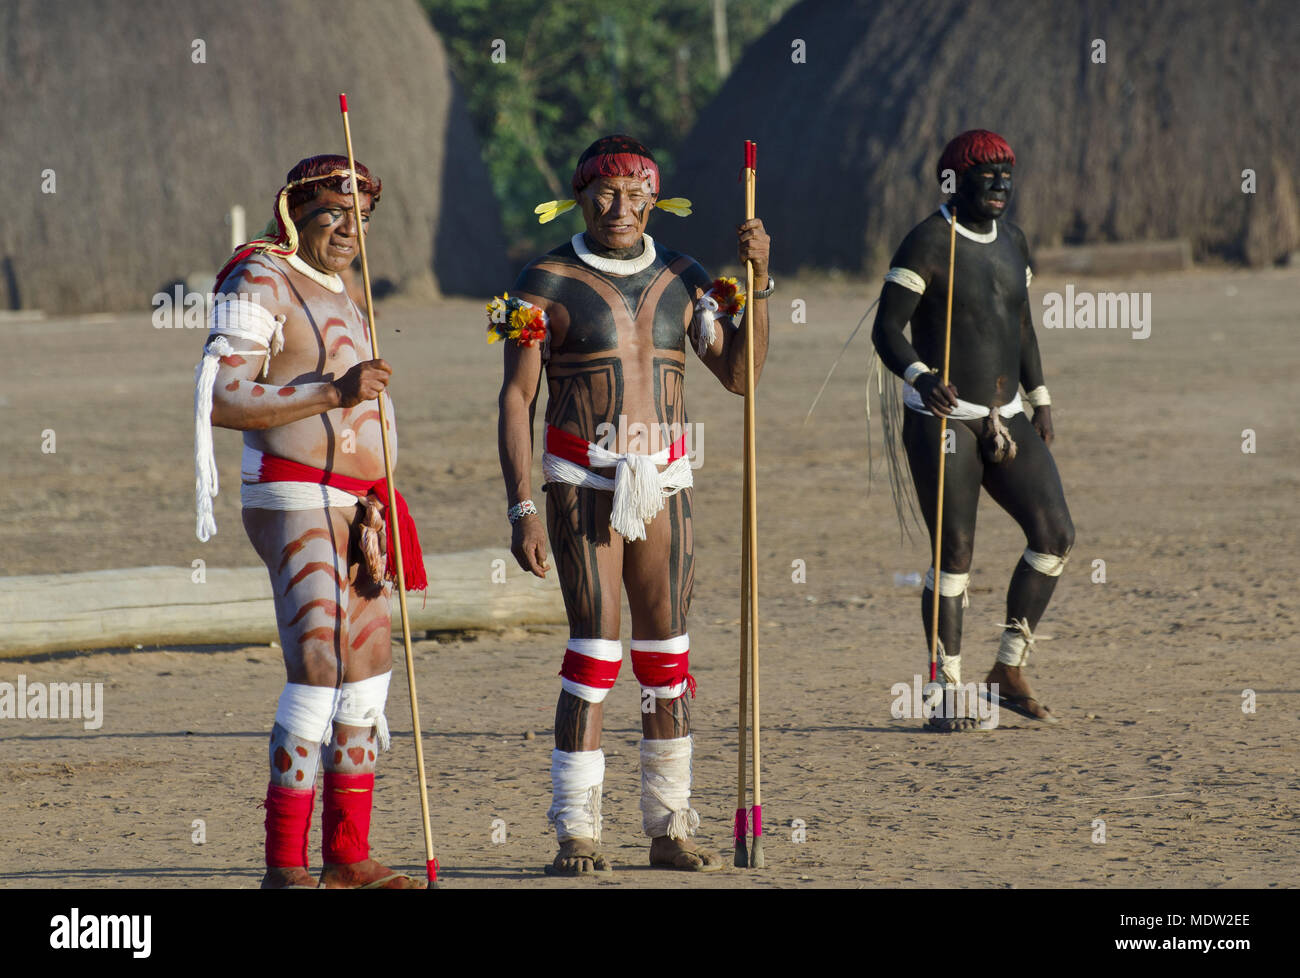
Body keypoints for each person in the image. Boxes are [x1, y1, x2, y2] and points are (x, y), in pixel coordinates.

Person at [495, 135, 771, 873]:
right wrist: (521, 508)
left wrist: (760, 281)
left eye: (636, 195)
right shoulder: (540, 283)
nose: (622, 208)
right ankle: (576, 833)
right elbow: (517, 398)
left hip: (667, 484)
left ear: (656, 199)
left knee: (667, 659)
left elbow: (741, 376)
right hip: (583, 483)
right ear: (580, 197)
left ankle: (668, 828)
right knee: (593, 654)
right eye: (606, 194)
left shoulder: (686, 278)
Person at [193, 155, 426, 887]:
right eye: (335, 215)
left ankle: (348, 857)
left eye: (360, 220)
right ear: (296, 212)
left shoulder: (343, 288)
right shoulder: (258, 277)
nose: (350, 232)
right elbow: (223, 399)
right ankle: (285, 865)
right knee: (320, 664)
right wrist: (334, 393)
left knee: (367, 673)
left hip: (360, 508)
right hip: (294, 495)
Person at [870, 130, 1075, 731]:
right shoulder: (928, 242)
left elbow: (1022, 326)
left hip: (1005, 416)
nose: (1000, 187)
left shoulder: (1013, 242)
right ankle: (944, 691)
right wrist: (919, 374)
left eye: (1006, 177)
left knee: (1055, 535)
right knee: (955, 552)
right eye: (987, 176)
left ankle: (1007, 669)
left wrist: (1038, 397)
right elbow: (887, 330)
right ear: (954, 181)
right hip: (941, 420)